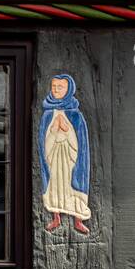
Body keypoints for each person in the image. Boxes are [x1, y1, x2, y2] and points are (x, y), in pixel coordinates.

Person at [39, 74, 91, 234]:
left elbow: (81, 142)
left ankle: (78, 219)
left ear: (68, 90)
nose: (55, 90)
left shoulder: (76, 115)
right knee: (56, 184)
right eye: (53, 87)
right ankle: (56, 217)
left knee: (71, 185)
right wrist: (54, 130)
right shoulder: (48, 114)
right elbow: (43, 140)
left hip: (71, 158)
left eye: (60, 87)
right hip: (54, 157)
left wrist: (67, 130)